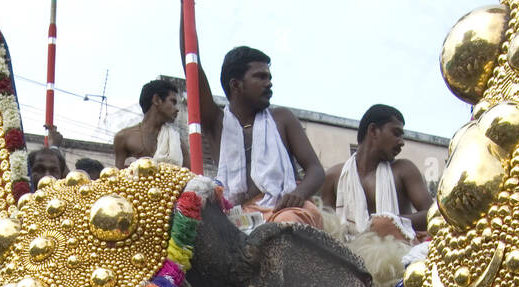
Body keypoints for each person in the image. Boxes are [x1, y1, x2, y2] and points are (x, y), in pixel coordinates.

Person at [180, 15, 324, 226]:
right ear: (236, 84)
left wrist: (298, 194)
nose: (269, 84)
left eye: (269, 78)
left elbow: (316, 170)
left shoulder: (282, 118)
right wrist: (185, 9)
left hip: (283, 209)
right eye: (260, 77)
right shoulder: (216, 122)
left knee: (287, 223)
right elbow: (192, 65)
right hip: (236, 219)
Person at [321, 104, 433, 240]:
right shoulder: (334, 176)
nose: (402, 142)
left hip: (399, 255)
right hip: (347, 257)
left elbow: (432, 215)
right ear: (373, 130)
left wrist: (389, 223)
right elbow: (325, 228)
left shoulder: (404, 169)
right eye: (396, 133)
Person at [114, 79, 186, 168]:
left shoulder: (177, 142)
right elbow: (117, 178)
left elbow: (189, 178)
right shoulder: (123, 138)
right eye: (173, 102)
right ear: (156, 100)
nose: (177, 109)